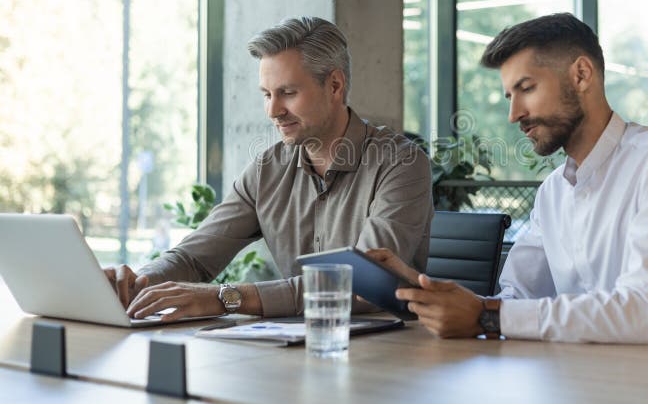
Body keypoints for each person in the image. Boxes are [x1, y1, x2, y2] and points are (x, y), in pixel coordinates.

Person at [371, 13, 648, 345]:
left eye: (526, 88)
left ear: (581, 74)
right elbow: (514, 302)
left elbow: (645, 312)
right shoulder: (554, 191)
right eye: (510, 96)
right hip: (588, 381)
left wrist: (488, 317)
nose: (514, 115)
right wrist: (417, 289)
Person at [105, 16, 433, 321]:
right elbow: (194, 258)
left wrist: (227, 297)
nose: (273, 110)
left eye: (288, 93)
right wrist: (138, 282)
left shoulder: (401, 164)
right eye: (266, 94)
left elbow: (361, 285)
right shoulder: (267, 170)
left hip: (386, 354)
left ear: (334, 86)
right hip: (293, 350)